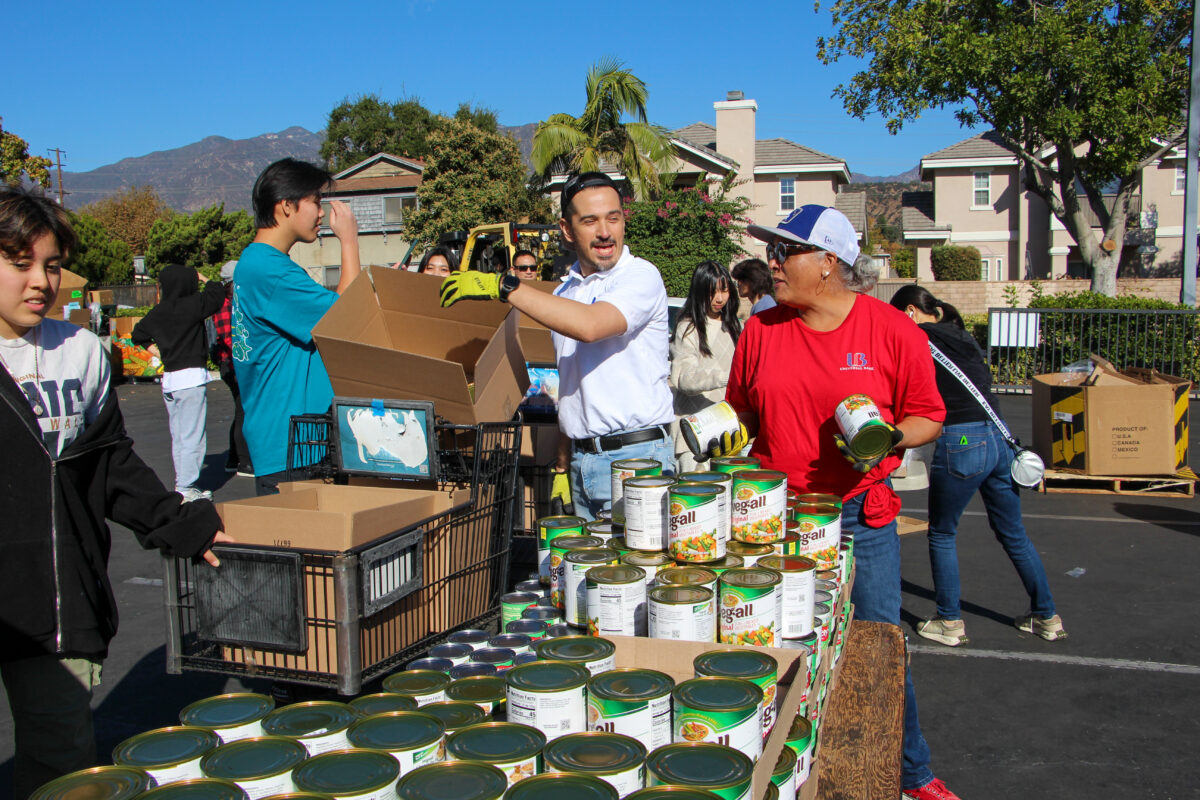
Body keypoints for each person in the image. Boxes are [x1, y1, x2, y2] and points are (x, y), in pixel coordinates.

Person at [0, 187, 230, 799]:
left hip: (56, 602)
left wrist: (179, 523)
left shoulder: (79, 352)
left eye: (50, 265)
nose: (39, 281)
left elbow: (109, 466)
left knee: (62, 764)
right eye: (18, 263)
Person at [723, 205, 959, 800]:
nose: (772, 261)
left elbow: (930, 416)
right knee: (777, 646)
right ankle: (786, 770)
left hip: (858, 515)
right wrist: (723, 430)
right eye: (773, 250)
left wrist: (890, 438)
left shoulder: (892, 330)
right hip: (773, 517)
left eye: (787, 251)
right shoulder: (761, 328)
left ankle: (910, 774)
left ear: (830, 262)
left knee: (876, 649)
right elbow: (744, 409)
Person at [440, 171, 674, 519]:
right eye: (590, 221)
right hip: (583, 460)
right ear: (567, 230)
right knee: (589, 573)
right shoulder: (567, 292)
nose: (605, 232)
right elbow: (573, 386)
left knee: (636, 572)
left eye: (614, 218)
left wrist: (505, 286)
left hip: (637, 459)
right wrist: (566, 462)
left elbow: (591, 326)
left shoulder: (640, 276)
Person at [890, 284, 1066, 645]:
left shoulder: (918, 340)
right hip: (1000, 438)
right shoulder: (960, 336)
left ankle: (949, 621)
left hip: (962, 440)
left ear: (909, 312)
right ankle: (1046, 615)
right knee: (1013, 534)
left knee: (942, 532)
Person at [232, 157, 360, 495]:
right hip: (293, 447)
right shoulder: (268, 270)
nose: (321, 213)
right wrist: (349, 240)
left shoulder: (261, 264)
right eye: (316, 202)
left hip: (290, 442)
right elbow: (345, 318)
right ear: (286, 206)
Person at [131, 264, 226, 501]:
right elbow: (217, 294)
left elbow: (137, 335)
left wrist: (157, 351)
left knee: (179, 436)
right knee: (193, 435)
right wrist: (204, 278)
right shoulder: (193, 305)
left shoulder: (158, 312)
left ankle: (181, 483)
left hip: (170, 381)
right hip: (191, 379)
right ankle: (186, 487)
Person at [670, 260, 741, 472]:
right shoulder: (688, 328)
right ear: (700, 292)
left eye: (724, 290)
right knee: (697, 499)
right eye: (712, 292)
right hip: (695, 434)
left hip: (730, 432)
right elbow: (683, 377)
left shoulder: (736, 326)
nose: (719, 298)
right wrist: (728, 376)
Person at [212, 260, 252, 477]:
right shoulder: (228, 305)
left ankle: (233, 458)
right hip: (233, 363)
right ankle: (244, 462)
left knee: (240, 410)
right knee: (243, 410)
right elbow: (230, 339)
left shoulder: (227, 302)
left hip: (230, 362)